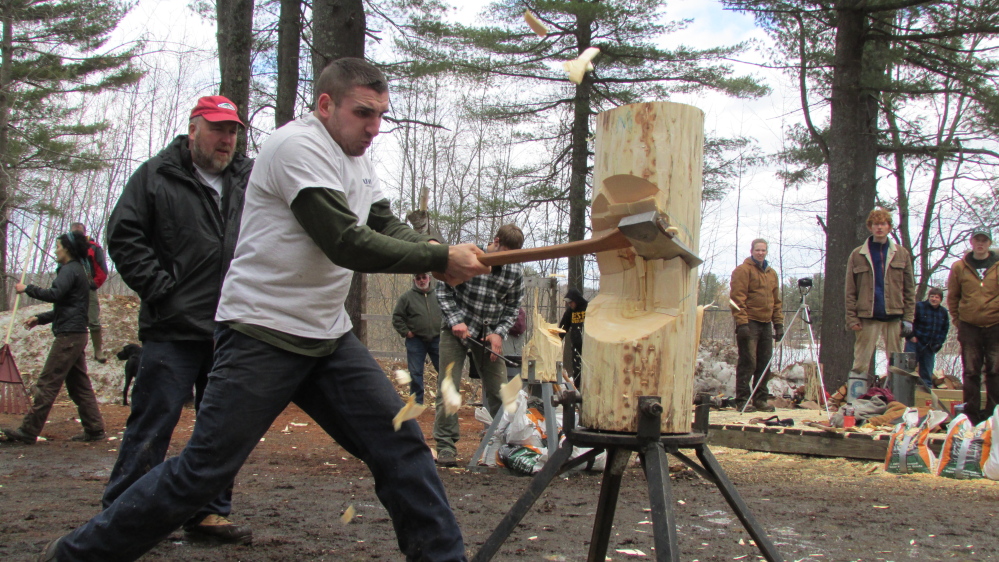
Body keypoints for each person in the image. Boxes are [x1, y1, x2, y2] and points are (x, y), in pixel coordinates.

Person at [40, 58, 488, 562]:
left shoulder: (358, 158)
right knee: (204, 471)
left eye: (380, 115)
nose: (373, 127)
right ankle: (75, 555)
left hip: (327, 337)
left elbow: (382, 221)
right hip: (261, 333)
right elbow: (344, 240)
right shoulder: (296, 146)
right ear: (325, 105)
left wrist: (434, 249)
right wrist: (437, 258)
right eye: (363, 113)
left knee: (400, 444)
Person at [100, 94, 254, 543]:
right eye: (217, 129)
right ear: (193, 129)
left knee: (221, 426)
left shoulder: (249, 179)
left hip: (231, 324)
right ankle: (125, 514)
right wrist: (161, 289)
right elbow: (123, 235)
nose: (226, 139)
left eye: (232, 131)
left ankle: (208, 513)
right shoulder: (156, 175)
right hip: (172, 325)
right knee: (154, 420)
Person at [433, 224, 525, 467]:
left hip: (488, 334)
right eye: (504, 254)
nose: (507, 261)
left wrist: (499, 334)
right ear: (495, 241)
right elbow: (443, 291)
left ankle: (506, 443)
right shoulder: (469, 258)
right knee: (449, 386)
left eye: (512, 256)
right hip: (456, 328)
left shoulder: (515, 270)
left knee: (500, 389)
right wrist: (456, 320)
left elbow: (513, 307)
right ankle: (446, 446)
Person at [2, 232, 105, 444]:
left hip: (69, 336)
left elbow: (54, 294)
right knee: (79, 386)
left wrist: (27, 288)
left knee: (47, 383)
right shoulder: (77, 270)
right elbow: (68, 307)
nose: (55, 250)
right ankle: (95, 429)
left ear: (67, 248)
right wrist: (40, 318)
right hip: (76, 334)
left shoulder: (70, 270)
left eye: (58, 246)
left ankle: (28, 431)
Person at [845, 208, 915, 384]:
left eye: (883, 224)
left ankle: (896, 397)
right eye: (876, 224)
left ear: (889, 227)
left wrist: (908, 318)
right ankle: (856, 397)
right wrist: (852, 318)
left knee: (898, 364)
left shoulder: (902, 254)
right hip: (867, 318)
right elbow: (850, 290)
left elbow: (909, 289)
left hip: (894, 317)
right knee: (860, 363)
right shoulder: (857, 254)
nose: (879, 228)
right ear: (870, 227)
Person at [947, 228, 999, 425]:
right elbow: (953, 296)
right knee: (970, 371)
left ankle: (993, 415)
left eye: (984, 240)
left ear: (989, 243)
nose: (980, 244)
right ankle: (970, 416)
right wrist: (958, 321)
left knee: (995, 371)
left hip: (995, 325)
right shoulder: (959, 267)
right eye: (977, 240)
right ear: (971, 242)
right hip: (969, 326)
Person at [729, 238, 783, 412]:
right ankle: (742, 400)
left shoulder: (771, 274)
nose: (760, 253)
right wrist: (742, 323)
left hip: (766, 323)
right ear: (752, 251)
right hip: (749, 322)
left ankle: (760, 399)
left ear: (766, 252)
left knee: (764, 364)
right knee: (748, 362)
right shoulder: (743, 270)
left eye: (763, 250)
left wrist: (778, 324)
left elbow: (776, 301)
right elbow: (736, 299)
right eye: (758, 250)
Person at [392, 272, 441, 404]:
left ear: (429, 278)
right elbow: (397, 317)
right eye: (418, 278)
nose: (421, 281)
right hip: (416, 340)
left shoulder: (439, 294)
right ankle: (417, 404)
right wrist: (406, 332)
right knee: (415, 373)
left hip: (437, 339)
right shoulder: (406, 297)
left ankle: (442, 402)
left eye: (424, 277)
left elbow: (448, 313)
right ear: (414, 280)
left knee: (444, 371)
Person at [70, 222, 109, 363]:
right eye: (74, 232)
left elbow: (102, 269)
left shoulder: (93, 247)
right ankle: (74, 351)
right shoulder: (67, 248)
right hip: (71, 288)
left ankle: (98, 351)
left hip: (88, 288)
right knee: (72, 319)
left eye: (79, 232)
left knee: (93, 320)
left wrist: (94, 284)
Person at [905, 287, 949, 388]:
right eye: (932, 296)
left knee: (926, 374)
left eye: (936, 297)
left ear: (941, 299)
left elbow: (945, 329)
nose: (934, 299)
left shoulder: (943, 312)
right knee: (907, 370)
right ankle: (905, 390)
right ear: (928, 297)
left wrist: (939, 343)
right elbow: (908, 321)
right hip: (915, 343)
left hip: (930, 346)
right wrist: (911, 336)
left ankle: (925, 392)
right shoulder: (919, 306)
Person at [558, 288, 588, 389]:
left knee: (587, 370)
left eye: (571, 302)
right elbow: (563, 327)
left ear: (577, 300)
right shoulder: (570, 312)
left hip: (588, 347)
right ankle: (577, 389)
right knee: (577, 370)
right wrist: (557, 340)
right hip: (576, 346)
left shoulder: (588, 308)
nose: (570, 304)